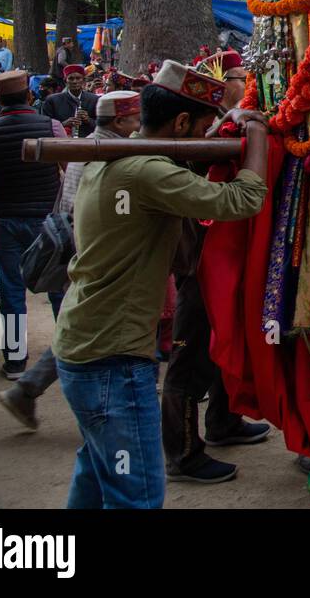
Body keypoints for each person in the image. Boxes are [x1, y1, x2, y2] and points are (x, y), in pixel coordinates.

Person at [53, 62, 269, 508]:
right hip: (112, 358)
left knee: (96, 478)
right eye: (203, 127)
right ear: (182, 123)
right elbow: (245, 199)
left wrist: (224, 125)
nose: (207, 137)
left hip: (84, 345)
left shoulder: (119, 154)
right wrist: (258, 134)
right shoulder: (146, 172)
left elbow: (181, 156)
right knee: (137, 496)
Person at [0, 90, 143, 429]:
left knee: (81, 324)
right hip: (95, 252)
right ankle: (32, 389)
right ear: (120, 121)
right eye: (134, 120)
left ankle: (29, 388)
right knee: (85, 326)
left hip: (85, 248)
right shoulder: (105, 151)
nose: (137, 127)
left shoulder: (92, 144)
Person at [0, 70, 68, 380]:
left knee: (11, 291)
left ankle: (15, 361)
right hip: (47, 221)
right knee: (57, 287)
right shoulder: (50, 126)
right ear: (29, 96)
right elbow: (69, 170)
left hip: (6, 221)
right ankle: (68, 353)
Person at [41, 64, 99, 137]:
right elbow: (45, 126)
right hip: (61, 144)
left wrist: (89, 120)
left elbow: (102, 126)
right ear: (65, 81)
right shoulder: (52, 101)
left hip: (88, 143)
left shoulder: (94, 100)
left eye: (78, 78)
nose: (74, 82)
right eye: (71, 78)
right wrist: (63, 124)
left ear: (84, 80)